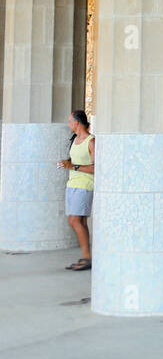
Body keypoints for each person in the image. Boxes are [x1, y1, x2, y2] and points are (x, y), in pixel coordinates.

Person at [60, 110, 95, 271]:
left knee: (73, 221)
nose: (69, 125)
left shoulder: (91, 141)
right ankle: (86, 256)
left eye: (70, 121)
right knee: (80, 221)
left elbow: (95, 167)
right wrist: (67, 162)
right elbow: (76, 160)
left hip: (85, 185)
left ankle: (87, 257)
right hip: (72, 184)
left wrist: (73, 166)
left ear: (77, 123)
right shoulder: (74, 140)